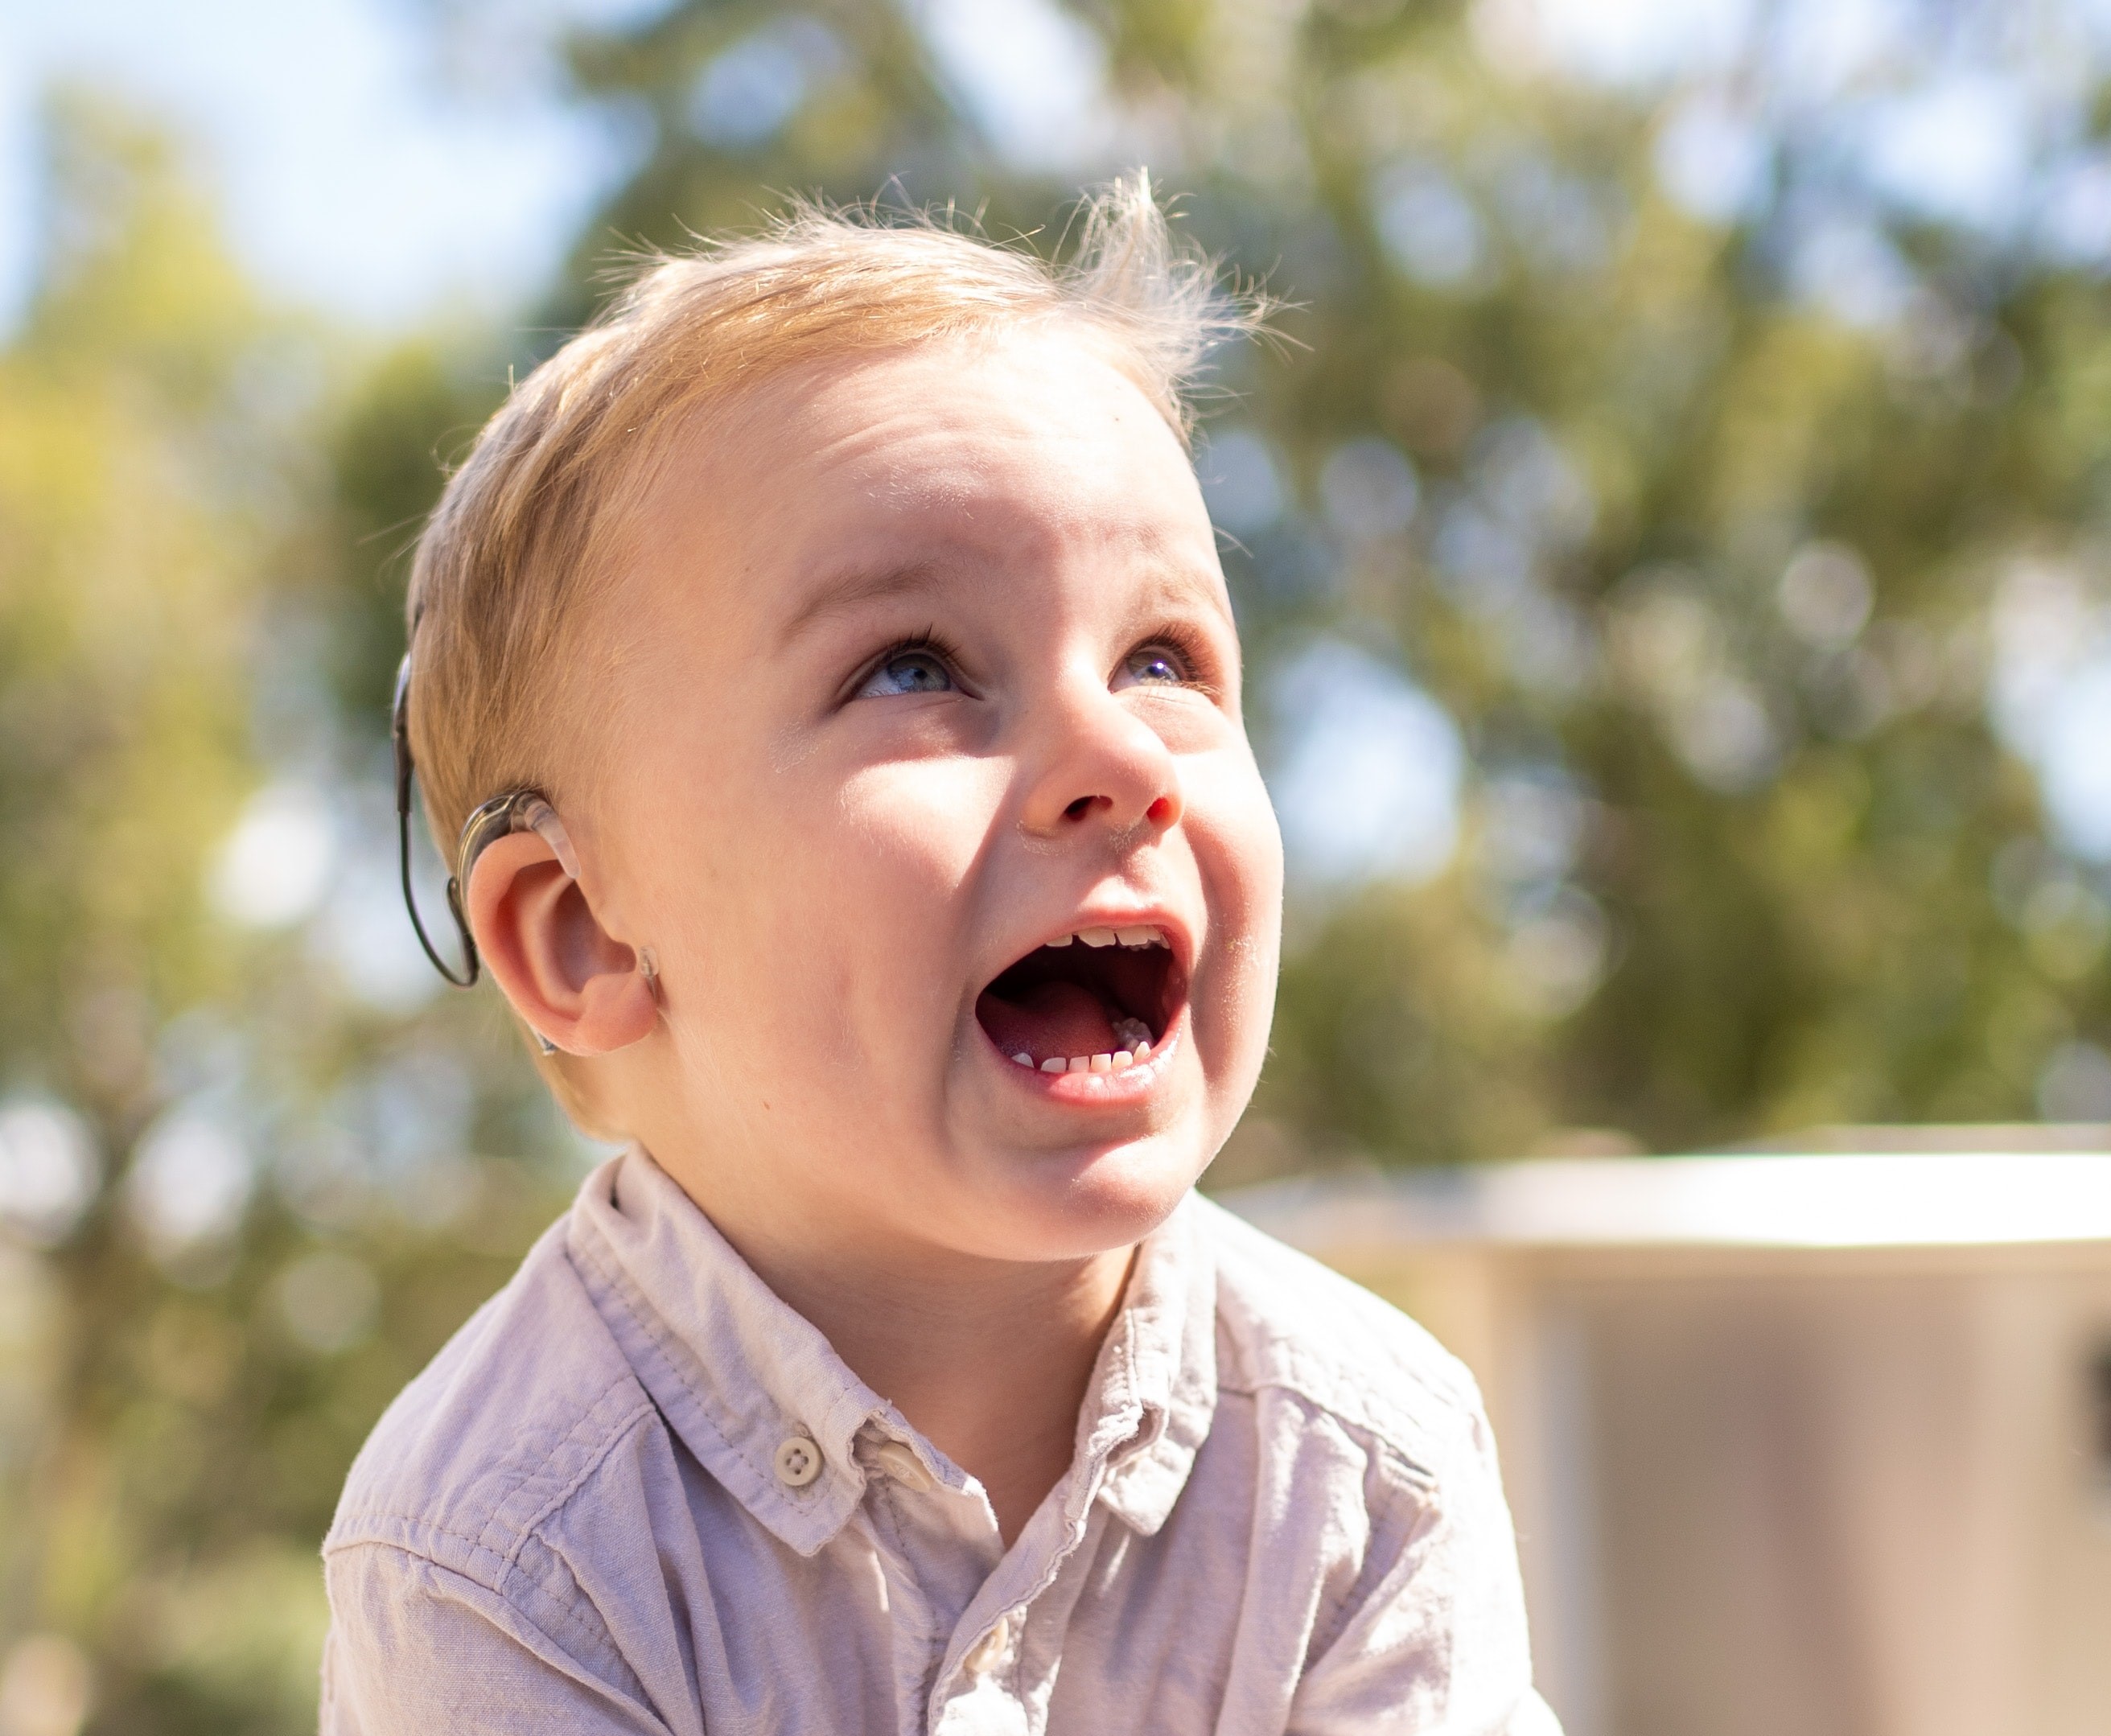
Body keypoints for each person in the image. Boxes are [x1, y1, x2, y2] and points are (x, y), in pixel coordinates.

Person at [319, 175, 1559, 1736]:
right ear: (583, 932)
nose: (1115, 750)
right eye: (914, 664)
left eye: (1162, 655)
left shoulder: (1361, 1454)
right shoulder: (511, 1544)